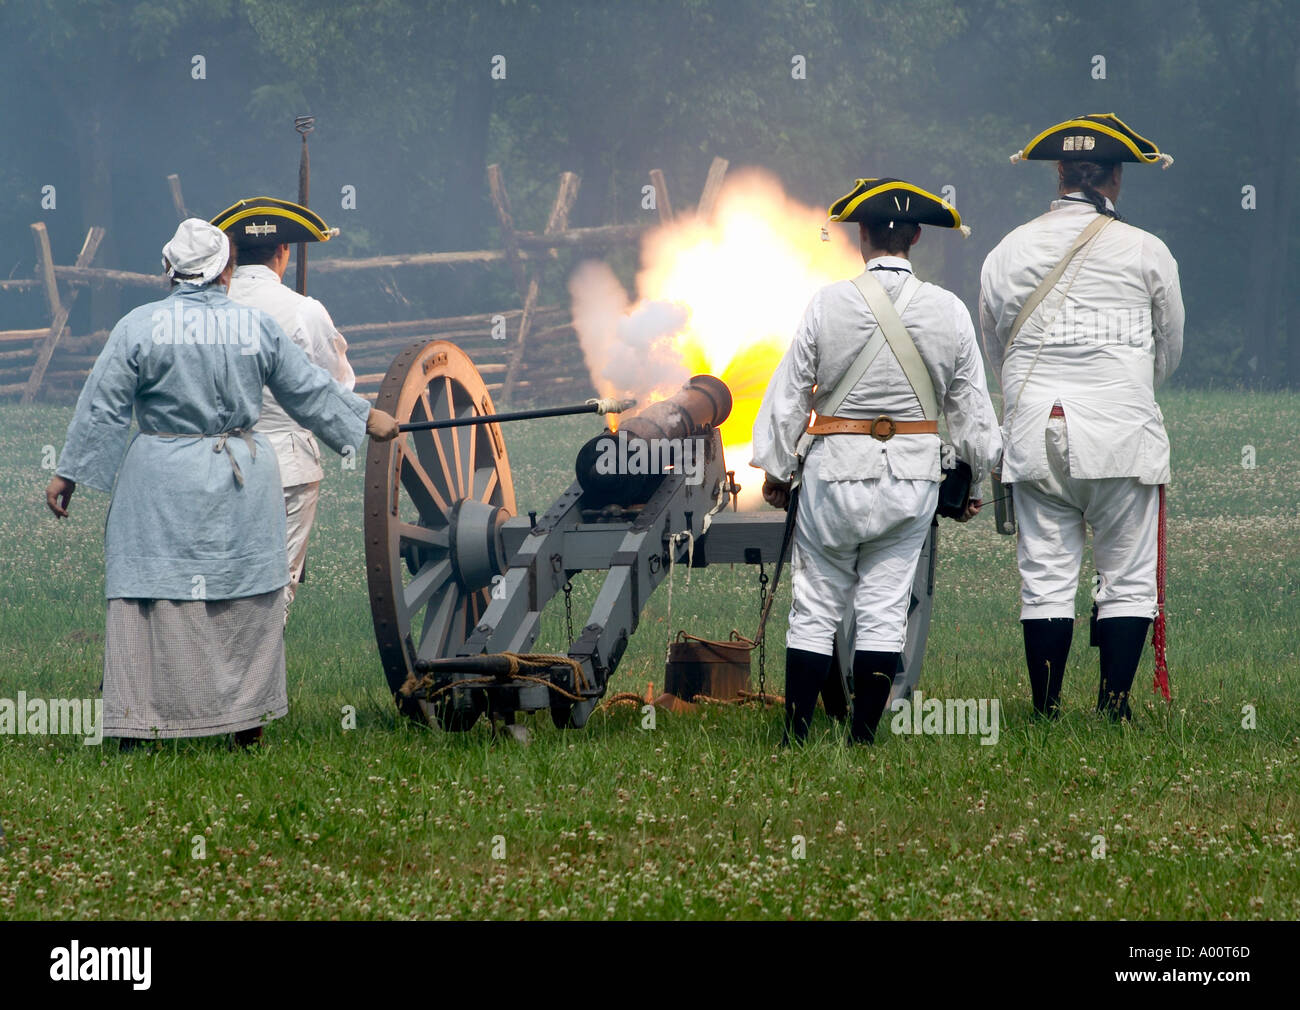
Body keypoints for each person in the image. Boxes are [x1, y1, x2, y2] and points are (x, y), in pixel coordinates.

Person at [44, 218, 401, 747]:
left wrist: (66, 473)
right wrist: (367, 420)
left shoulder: (138, 327)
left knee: (152, 597)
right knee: (243, 598)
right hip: (240, 478)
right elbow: (308, 389)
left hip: (159, 481)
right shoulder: (254, 327)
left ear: (169, 270)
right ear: (226, 272)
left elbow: (103, 407)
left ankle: (139, 726)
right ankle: (244, 725)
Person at [753, 178, 1002, 745]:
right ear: (915, 236)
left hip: (832, 475)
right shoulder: (950, 310)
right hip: (912, 479)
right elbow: (970, 411)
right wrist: (974, 478)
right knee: (886, 607)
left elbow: (790, 394)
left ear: (861, 236)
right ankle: (862, 738)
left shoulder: (826, 303)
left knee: (815, 606)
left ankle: (795, 736)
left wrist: (776, 469)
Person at [979, 114, 1184, 721]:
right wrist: (1125, 388)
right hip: (1121, 434)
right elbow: (1166, 349)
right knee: (1126, 578)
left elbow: (999, 352)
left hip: (1036, 434)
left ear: (1060, 174)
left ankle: (1046, 710)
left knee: (1045, 576)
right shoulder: (1147, 250)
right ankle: (1113, 705)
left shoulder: (1006, 250)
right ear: (1115, 179)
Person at [212, 197, 352, 621]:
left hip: (216, 461)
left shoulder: (207, 309)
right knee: (274, 591)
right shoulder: (305, 310)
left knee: (220, 584)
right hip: (288, 466)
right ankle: (254, 683)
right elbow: (337, 387)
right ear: (283, 252)